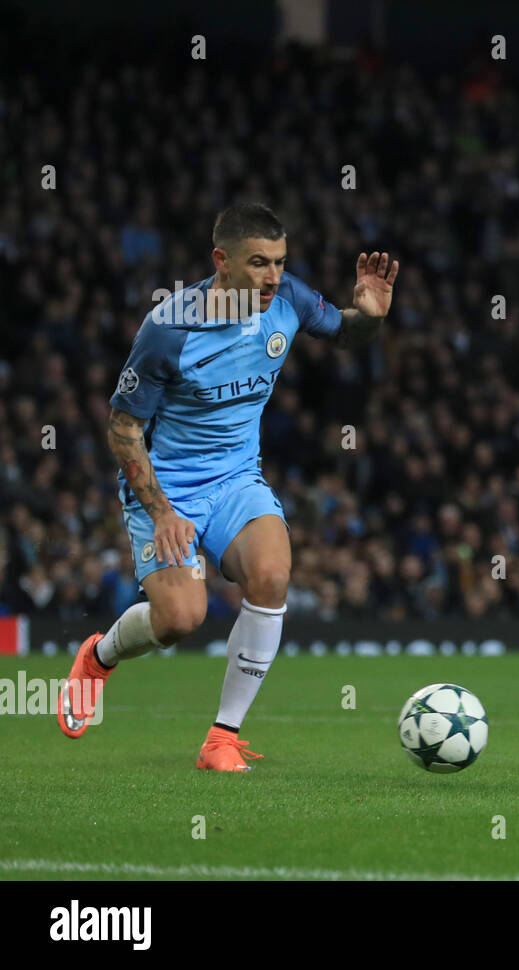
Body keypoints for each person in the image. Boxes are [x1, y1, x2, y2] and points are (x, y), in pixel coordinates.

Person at [57, 202, 400, 770]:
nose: (273, 277)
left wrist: (373, 315)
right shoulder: (170, 328)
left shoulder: (287, 298)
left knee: (272, 573)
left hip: (237, 478)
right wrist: (163, 512)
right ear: (221, 261)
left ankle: (222, 737)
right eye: (259, 263)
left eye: (280, 262)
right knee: (179, 620)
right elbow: (122, 427)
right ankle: (99, 655)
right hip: (166, 488)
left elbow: (346, 333)